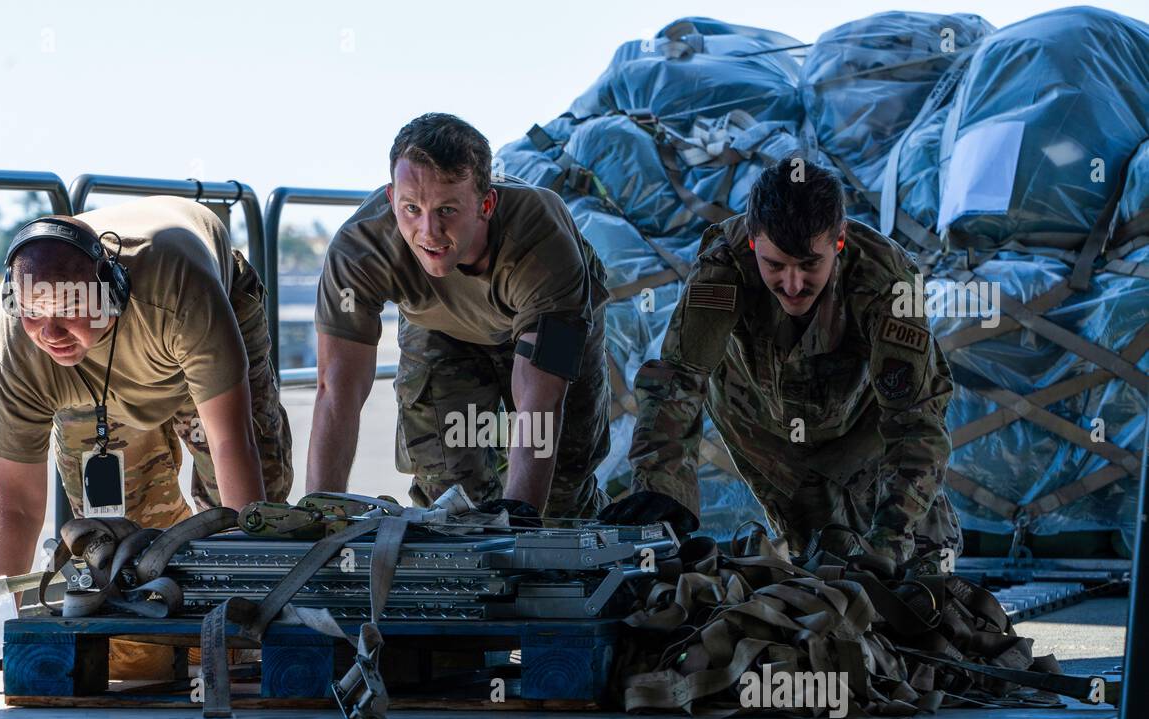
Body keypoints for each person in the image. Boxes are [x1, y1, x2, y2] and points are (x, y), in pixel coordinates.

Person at [0, 196, 292, 674]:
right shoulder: (22, 352)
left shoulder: (179, 287)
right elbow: (18, 507)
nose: (51, 332)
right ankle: (153, 663)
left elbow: (234, 443)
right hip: (95, 387)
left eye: (69, 308)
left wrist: (250, 610)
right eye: (33, 313)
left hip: (193, 322)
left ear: (110, 289)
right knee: (117, 555)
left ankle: (228, 654)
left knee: (259, 510)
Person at [602, 158, 962, 563]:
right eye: (775, 265)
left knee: (920, 568)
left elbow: (917, 418)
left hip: (864, 425)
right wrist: (660, 486)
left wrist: (890, 541)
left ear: (839, 240)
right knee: (821, 564)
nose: (792, 285)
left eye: (810, 265)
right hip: (763, 426)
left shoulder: (888, 279)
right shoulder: (724, 263)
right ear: (754, 241)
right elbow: (680, 377)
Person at [307, 112, 611, 521]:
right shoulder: (359, 251)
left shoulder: (543, 242)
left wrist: (519, 519)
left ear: (485, 204)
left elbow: (540, 398)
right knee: (446, 495)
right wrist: (317, 518)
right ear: (389, 195)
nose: (428, 231)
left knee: (560, 492)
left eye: (447, 211)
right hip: (438, 322)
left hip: (546, 311)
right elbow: (337, 391)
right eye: (411, 208)